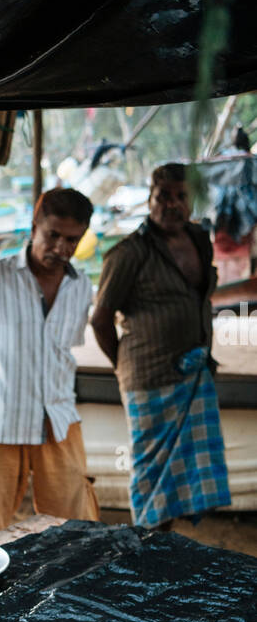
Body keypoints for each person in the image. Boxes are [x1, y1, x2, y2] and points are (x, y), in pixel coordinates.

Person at [91, 163, 230, 528]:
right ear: (150, 198)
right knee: (152, 476)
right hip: (148, 380)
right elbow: (100, 319)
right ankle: (147, 551)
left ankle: (166, 552)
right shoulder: (128, 253)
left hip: (194, 374)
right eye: (163, 196)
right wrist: (121, 366)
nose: (172, 204)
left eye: (181, 196)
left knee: (186, 476)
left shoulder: (200, 239)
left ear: (192, 200)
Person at [0, 188, 100, 537]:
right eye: (53, 235)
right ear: (34, 224)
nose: (61, 248)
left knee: (74, 524)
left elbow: (62, 351)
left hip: (60, 418)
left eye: (72, 240)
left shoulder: (81, 286)